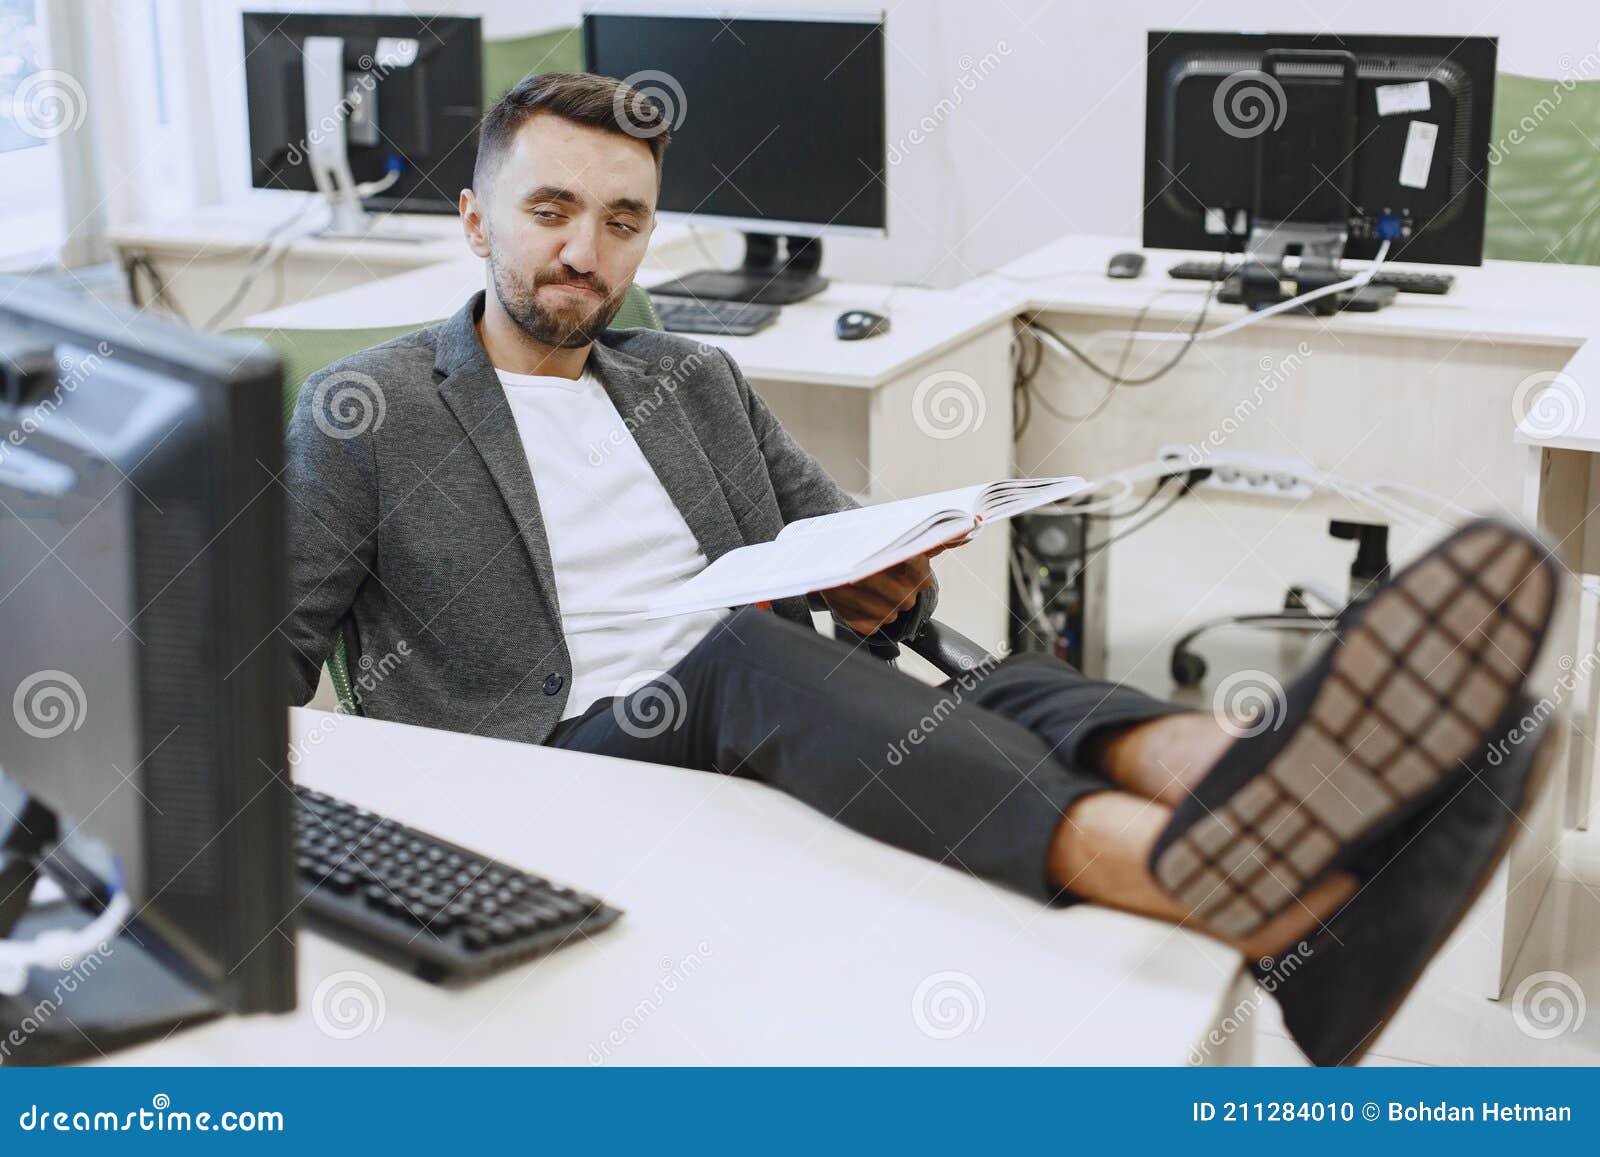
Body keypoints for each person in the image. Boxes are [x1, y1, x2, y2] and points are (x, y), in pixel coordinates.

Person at [284, 72, 1560, 1065]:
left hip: (736, 699)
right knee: (744, 662)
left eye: (621, 221)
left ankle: (1272, 812)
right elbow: (267, 674)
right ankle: (1202, 871)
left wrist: (887, 581)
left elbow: (852, 550)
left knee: (999, 685)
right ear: (475, 220)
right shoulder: (371, 410)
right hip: (555, 759)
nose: (585, 251)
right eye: (551, 211)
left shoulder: (692, 379)